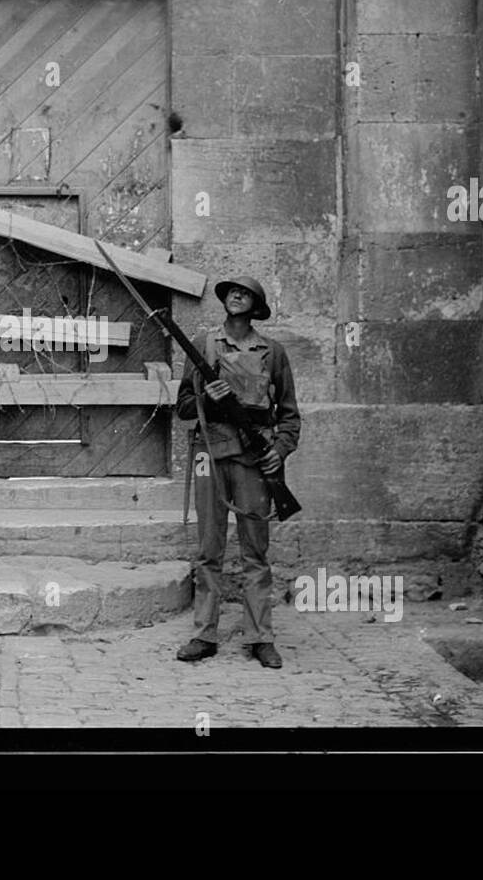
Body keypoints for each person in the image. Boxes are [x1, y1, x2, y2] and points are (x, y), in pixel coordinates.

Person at [174, 276, 300, 669]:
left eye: (244, 292)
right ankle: (203, 634)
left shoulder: (273, 352)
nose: (236, 294)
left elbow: (291, 417)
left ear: (257, 305)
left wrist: (278, 452)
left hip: (253, 459)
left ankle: (260, 637)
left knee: (255, 552)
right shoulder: (204, 345)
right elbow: (182, 408)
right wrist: (207, 402)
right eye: (230, 291)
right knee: (209, 548)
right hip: (210, 453)